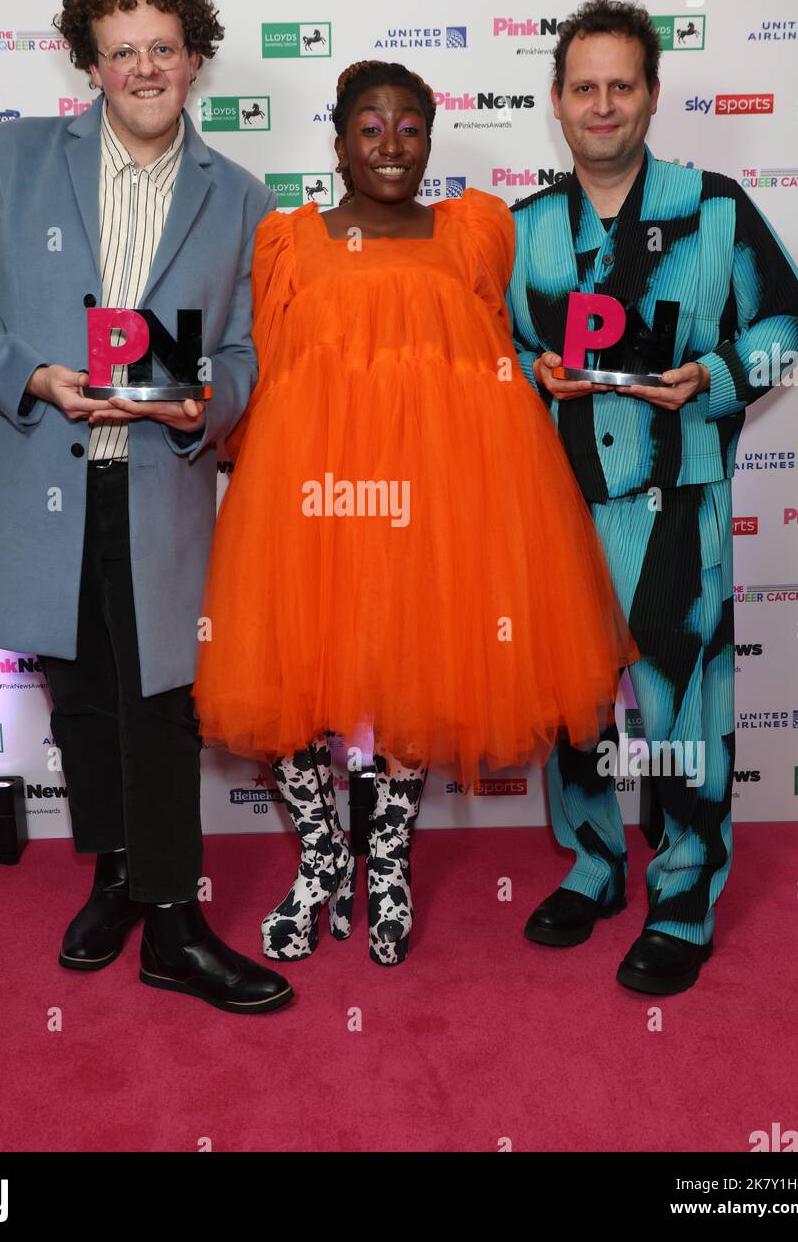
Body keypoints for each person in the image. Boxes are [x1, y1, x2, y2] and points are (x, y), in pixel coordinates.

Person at [192, 59, 637, 967]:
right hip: (309, 503)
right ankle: (322, 860)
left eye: (409, 127)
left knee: (417, 669)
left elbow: (492, 355)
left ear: (430, 139)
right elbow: (268, 369)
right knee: (289, 681)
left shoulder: (475, 232)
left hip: (437, 507)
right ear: (340, 140)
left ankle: (386, 860)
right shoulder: (288, 241)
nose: (391, 145)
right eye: (370, 126)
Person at [0, 0, 292, 1015]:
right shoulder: (13, 159)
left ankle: (174, 921)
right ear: (89, 61)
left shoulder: (244, 198)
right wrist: (33, 374)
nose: (142, 68)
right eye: (120, 50)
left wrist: (201, 406)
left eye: (161, 48)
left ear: (195, 58)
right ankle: (116, 872)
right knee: (77, 691)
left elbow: (248, 355)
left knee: (162, 700)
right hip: (42, 473)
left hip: (159, 485)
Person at [508, 0, 798, 995]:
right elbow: (496, 353)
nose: (602, 105)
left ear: (649, 94)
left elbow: (789, 318)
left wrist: (715, 373)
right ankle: (594, 866)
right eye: (583, 86)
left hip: (679, 501)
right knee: (572, 706)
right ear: (555, 101)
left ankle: (681, 902)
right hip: (562, 506)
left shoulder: (715, 205)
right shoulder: (519, 232)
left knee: (688, 709)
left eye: (621, 85)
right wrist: (531, 375)